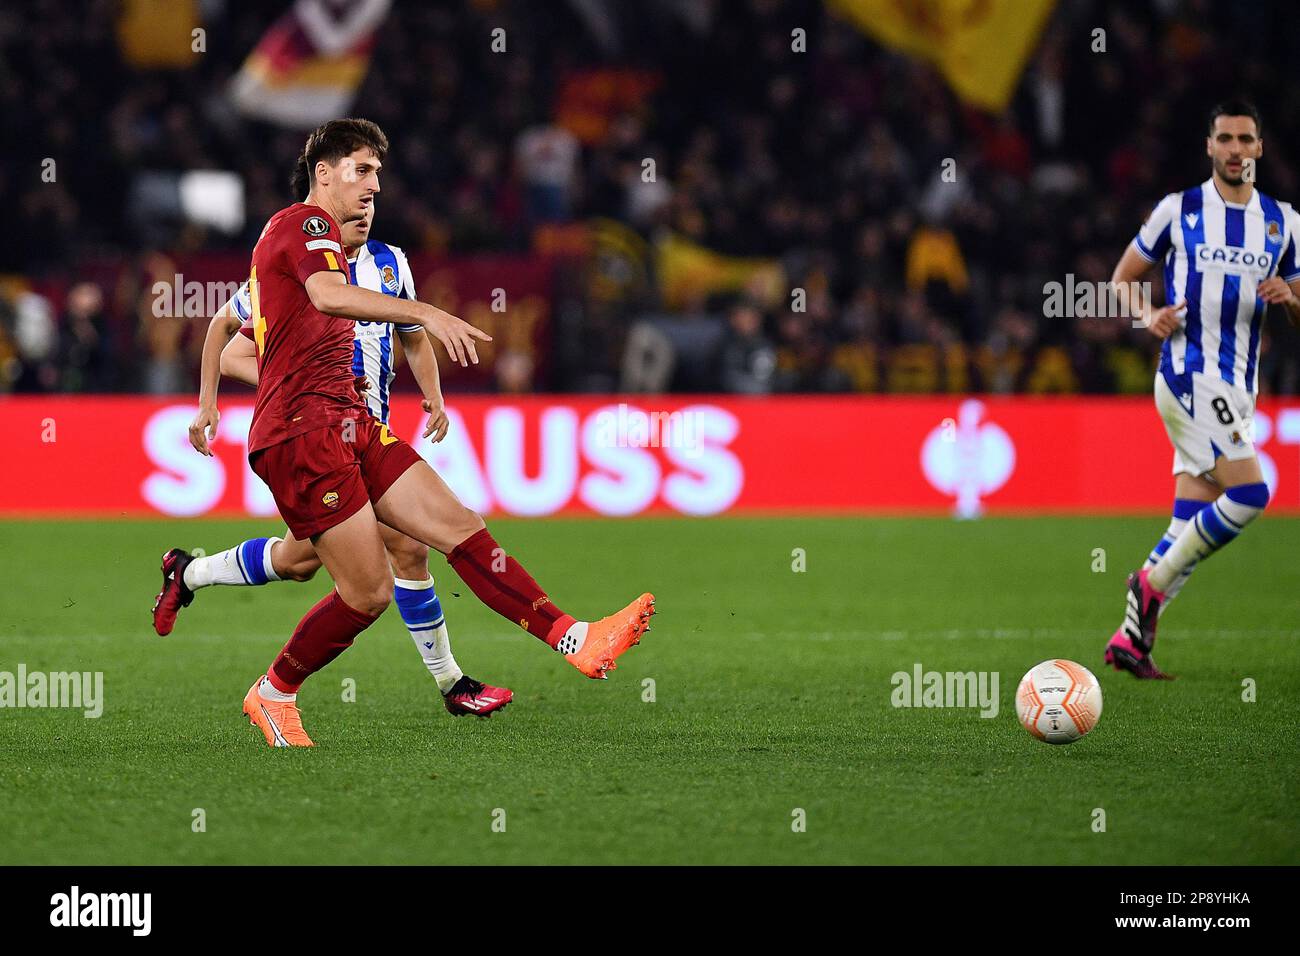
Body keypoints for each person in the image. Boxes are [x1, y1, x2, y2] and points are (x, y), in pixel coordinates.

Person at [154, 118, 653, 747]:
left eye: (378, 174)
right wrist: (422, 312)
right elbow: (326, 298)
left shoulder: (360, 255)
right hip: (302, 435)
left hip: (354, 421)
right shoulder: (300, 226)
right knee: (367, 592)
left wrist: (417, 362)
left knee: (457, 526)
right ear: (324, 173)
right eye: (362, 171)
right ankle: (275, 691)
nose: (374, 187)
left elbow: (338, 310)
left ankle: (574, 637)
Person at [153, 168, 511, 718]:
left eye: (372, 200)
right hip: (318, 437)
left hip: (368, 433)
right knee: (406, 549)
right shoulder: (298, 265)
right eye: (357, 192)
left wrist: (434, 396)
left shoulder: (391, 264)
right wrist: (215, 402)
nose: (365, 208)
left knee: (298, 561)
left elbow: (413, 337)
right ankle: (452, 684)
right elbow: (225, 338)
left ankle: (189, 572)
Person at [1104, 100, 1299, 678]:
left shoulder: (1285, 222)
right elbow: (1121, 280)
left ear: (1260, 147)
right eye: (1226, 139)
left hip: (1238, 388)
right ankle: (1149, 585)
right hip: (1188, 376)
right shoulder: (1179, 210)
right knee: (1250, 495)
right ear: (1209, 146)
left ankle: (1130, 641)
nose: (1236, 150)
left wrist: (1291, 298)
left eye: (1246, 139)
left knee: (1189, 518)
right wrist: (1148, 316)